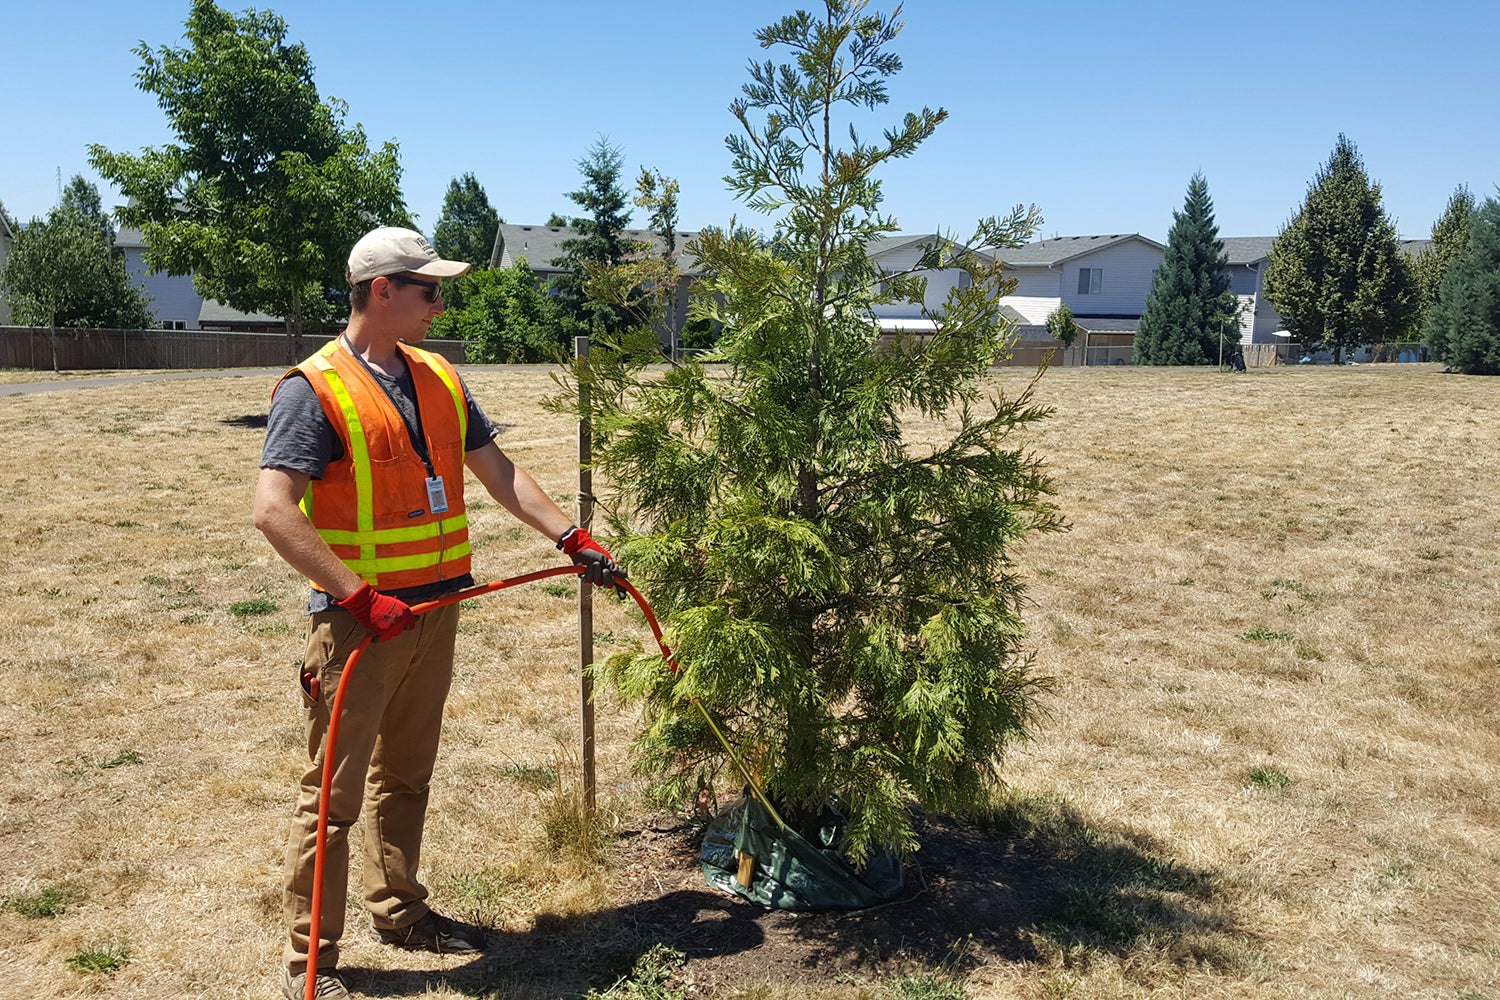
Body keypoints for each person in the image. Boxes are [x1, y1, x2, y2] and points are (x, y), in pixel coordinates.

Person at [253, 226, 626, 1000]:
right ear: (381, 290)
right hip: (360, 627)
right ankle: (312, 963)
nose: (441, 302)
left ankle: (400, 910)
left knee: (409, 777)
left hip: (437, 612)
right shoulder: (312, 388)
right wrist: (358, 596)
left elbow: (499, 473)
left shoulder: (439, 376)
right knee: (332, 798)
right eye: (429, 289)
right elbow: (273, 512)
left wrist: (570, 537)